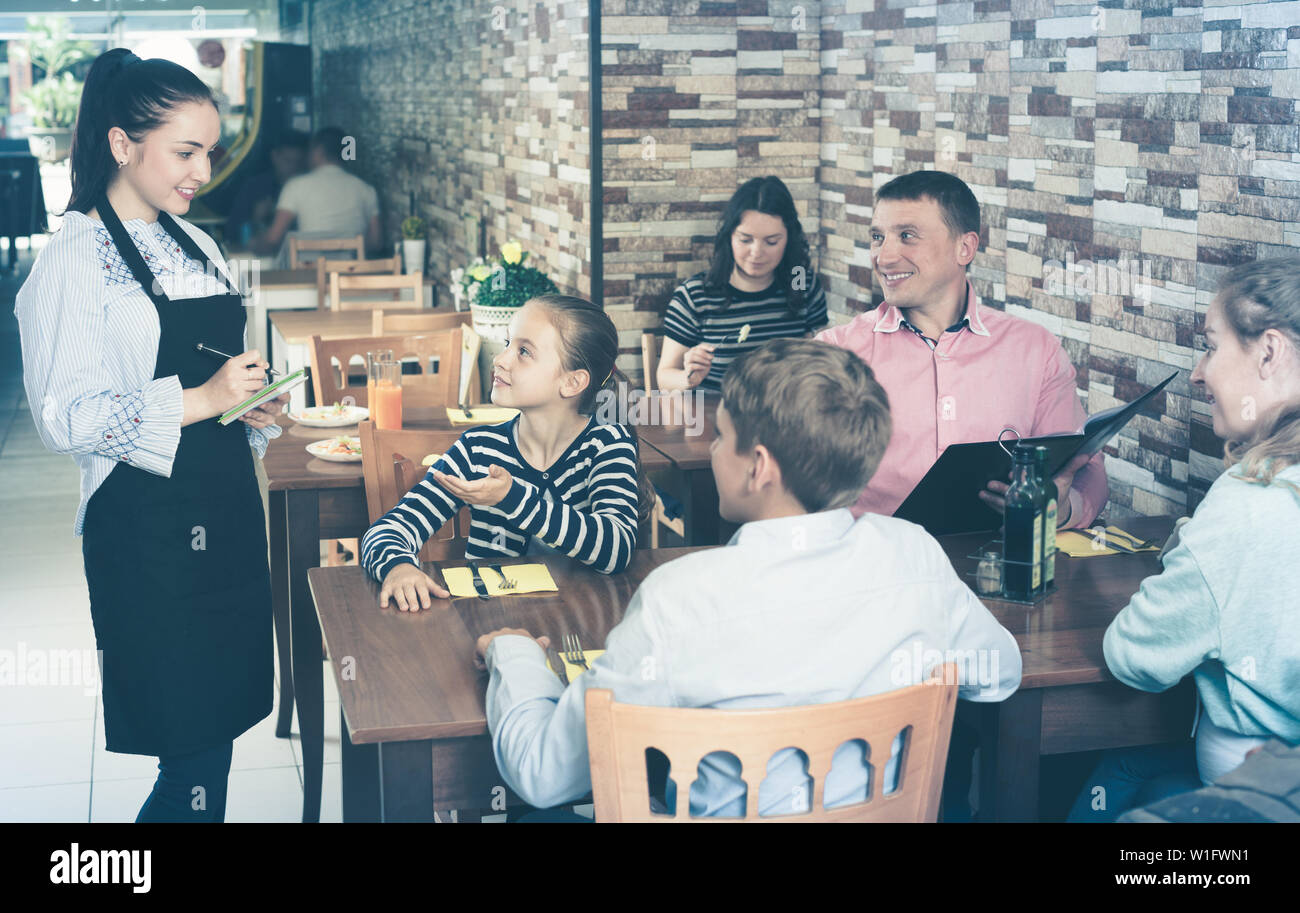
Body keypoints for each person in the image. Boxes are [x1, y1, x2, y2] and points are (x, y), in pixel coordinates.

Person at [474, 338, 1023, 817]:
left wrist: (515, 656)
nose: (711, 450)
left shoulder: (678, 599)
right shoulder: (915, 555)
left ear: (758, 466)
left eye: (720, 436)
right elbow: (1000, 672)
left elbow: (543, 774)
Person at [15, 49, 291, 822]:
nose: (203, 169)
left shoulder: (193, 243)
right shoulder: (74, 258)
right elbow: (64, 416)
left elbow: (214, 375)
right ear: (121, 144)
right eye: (186, 151)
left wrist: (247, 406)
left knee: (217, 737)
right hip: (148, 536)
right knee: (190, 749)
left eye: (210, 150)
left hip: (226, 514)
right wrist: (203, 397)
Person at [1068, 257, 1300, 822]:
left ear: (1269, 353)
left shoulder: (1250, 503)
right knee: (1127, 772)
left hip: (1258, 799)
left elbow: (1132, 657)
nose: (1198, 373)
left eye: (1211, 346)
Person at [816, 170, 1107, 530]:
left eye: (907, 236)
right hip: (876, 574)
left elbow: (1087, 473)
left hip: (1004, 570)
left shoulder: (1037, 350)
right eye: (878, 237)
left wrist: (1057, 510)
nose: (884, 257)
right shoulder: (835, 354)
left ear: (964, 248)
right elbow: (789, 482)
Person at [360, 295, 652, 609]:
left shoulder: (606, 444)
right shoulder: (478, 449)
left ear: (572, 382)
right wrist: (398, 566)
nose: (501, 359)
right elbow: (389, 529)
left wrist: (511, 497)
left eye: (524, 351)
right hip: (492, 631)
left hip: (580, 636)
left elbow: (615, 549)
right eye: (508, 343)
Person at [656, 176, 828, 393]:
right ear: (729, 237)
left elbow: (821, 351)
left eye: (771, 242)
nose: (756, 253)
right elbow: (664, 378)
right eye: (745, 240)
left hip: (784, 415)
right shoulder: (695, 295)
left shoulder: (802, 283)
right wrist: (689, 377)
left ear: (789, 238)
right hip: (714, 415)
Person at [250, 125, 381, 264]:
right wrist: (346, 246)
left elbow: (273, 240)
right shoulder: (366, 189)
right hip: (352, 274)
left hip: (307, 274)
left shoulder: (296, 186)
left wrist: (253, 242)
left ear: (318, 151)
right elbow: (376, 242)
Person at [222, 130, 307, 247]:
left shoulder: (307, 188)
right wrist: (255, 220)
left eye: (298, 162)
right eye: (288, 161)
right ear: (275, 156)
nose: (293, 168)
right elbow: (232, 232)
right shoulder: (256, 187)